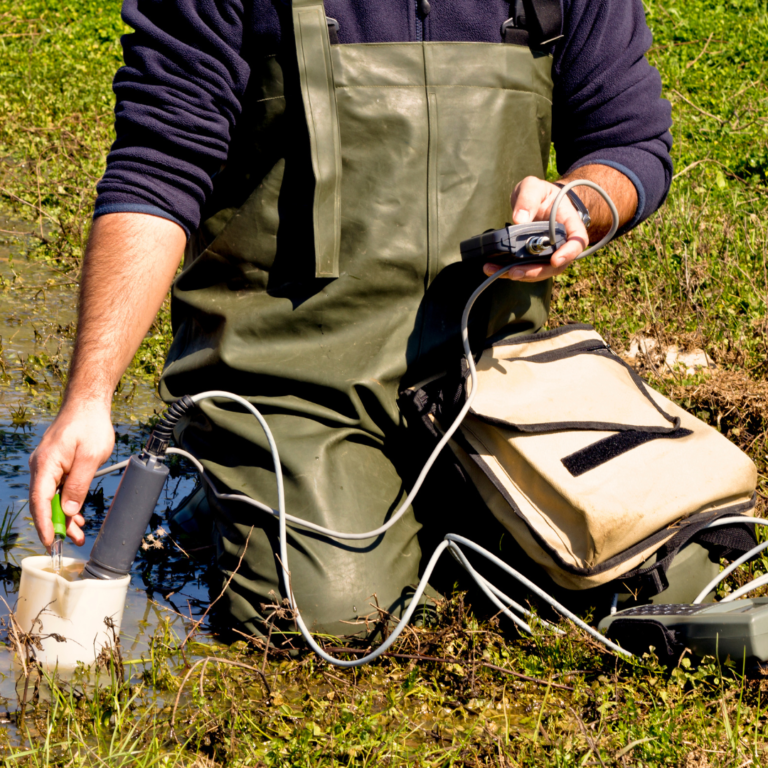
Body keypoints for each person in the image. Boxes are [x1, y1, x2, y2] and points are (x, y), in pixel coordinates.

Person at [29, 0, 672, 638]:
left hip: (489, 380)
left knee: (661, 564)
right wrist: (89, 397)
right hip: (289, 383)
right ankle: (231, 486)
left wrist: (582, 203)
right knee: (333, 616)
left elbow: (630, 141)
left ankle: (395, 507)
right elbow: (158, 170)